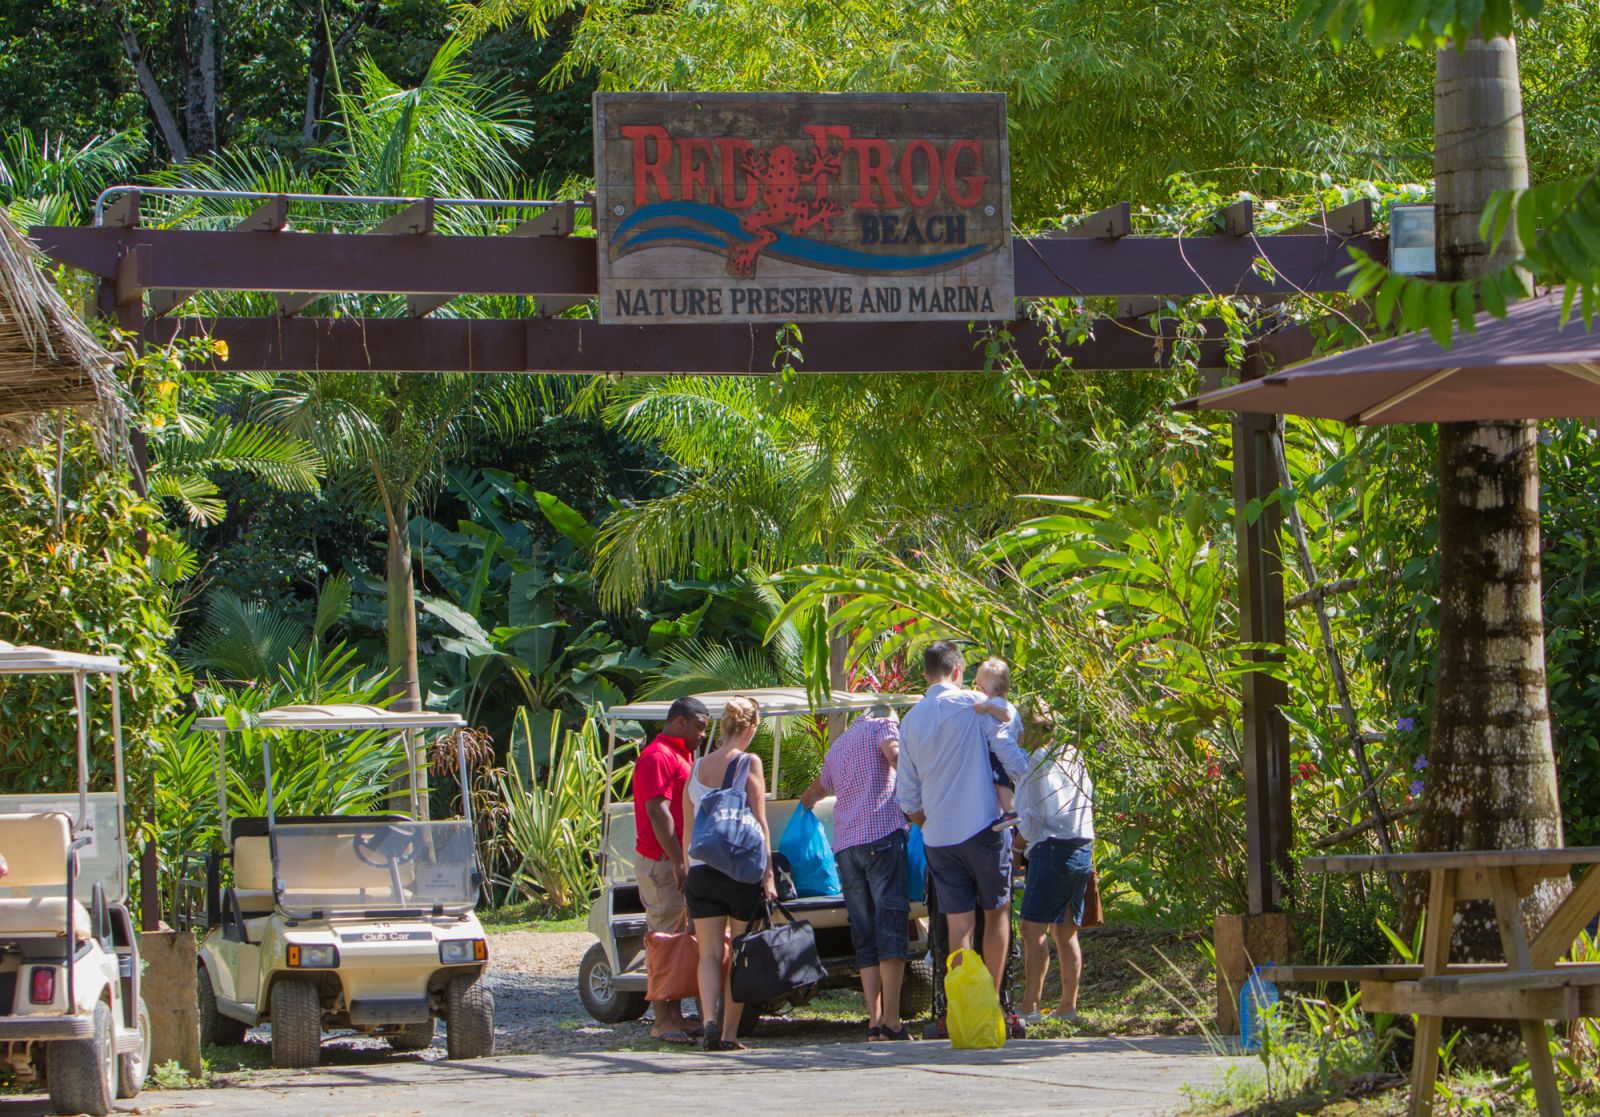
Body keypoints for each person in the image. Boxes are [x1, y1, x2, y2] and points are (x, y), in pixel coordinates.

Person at [897, 640, 1028, 995]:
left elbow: (907, 796)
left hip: (939, 839)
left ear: (925, 675)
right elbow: (1006, 738)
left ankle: (963, 1003)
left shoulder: (909, 723)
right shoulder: (973, 705)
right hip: (983, 827)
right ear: (958, 671)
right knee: (997, 912)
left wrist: (928, 823)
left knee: (958, 924)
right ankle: (993, 998)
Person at [800, 703, 911, 1041]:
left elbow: (815, 793)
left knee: (864, 933)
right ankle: (892, 1020)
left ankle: (873, 1020)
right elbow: (894, 755)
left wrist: (800, 813)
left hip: (847, 849)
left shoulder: (840, 745)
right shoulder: (883, 727)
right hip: (882, 838)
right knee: (891, 926)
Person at [681, 696, 777, 1052]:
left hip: (702, 871)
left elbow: (688, 830)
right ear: (749, 728)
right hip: (739, 870)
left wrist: (690, 875)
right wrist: (768, 874)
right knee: (738, 952)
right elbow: (761, 823)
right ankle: (728, 1034)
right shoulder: (749, 763)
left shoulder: (696, 768)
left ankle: (707, 1017)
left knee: (708, 953)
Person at [632, 695, 709, 1044]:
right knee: (664, 938)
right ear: (680, 722)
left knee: (680, 937)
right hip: (662, 862)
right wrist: (677, 860)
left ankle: (675, 1014)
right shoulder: (657, 756)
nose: (702, 735)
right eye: (699, 727)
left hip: (677, 859)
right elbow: (658, 811)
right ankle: (662, 1018)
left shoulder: (681, 754)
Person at [1014, 701, 1095, 1025]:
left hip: (1050, 849)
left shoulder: (1031, 764)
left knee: (1031, 928)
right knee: (1066, 929)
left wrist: (1015, 847)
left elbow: (1031, 819)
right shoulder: (1072, 754)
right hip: (1082, 847)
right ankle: (1067, 1005)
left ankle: (1030, 1005)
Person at [972, 658, 1021, 830]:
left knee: (1000, 780)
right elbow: (1020, 733)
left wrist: (986, 708)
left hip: (1001, 754)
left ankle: (1011, 810)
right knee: (1003, 781)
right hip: (1013, 753)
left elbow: (1005, 715)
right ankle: (1009, 808)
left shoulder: (995, 705)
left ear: (984, 688)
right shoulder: (1012, 706)